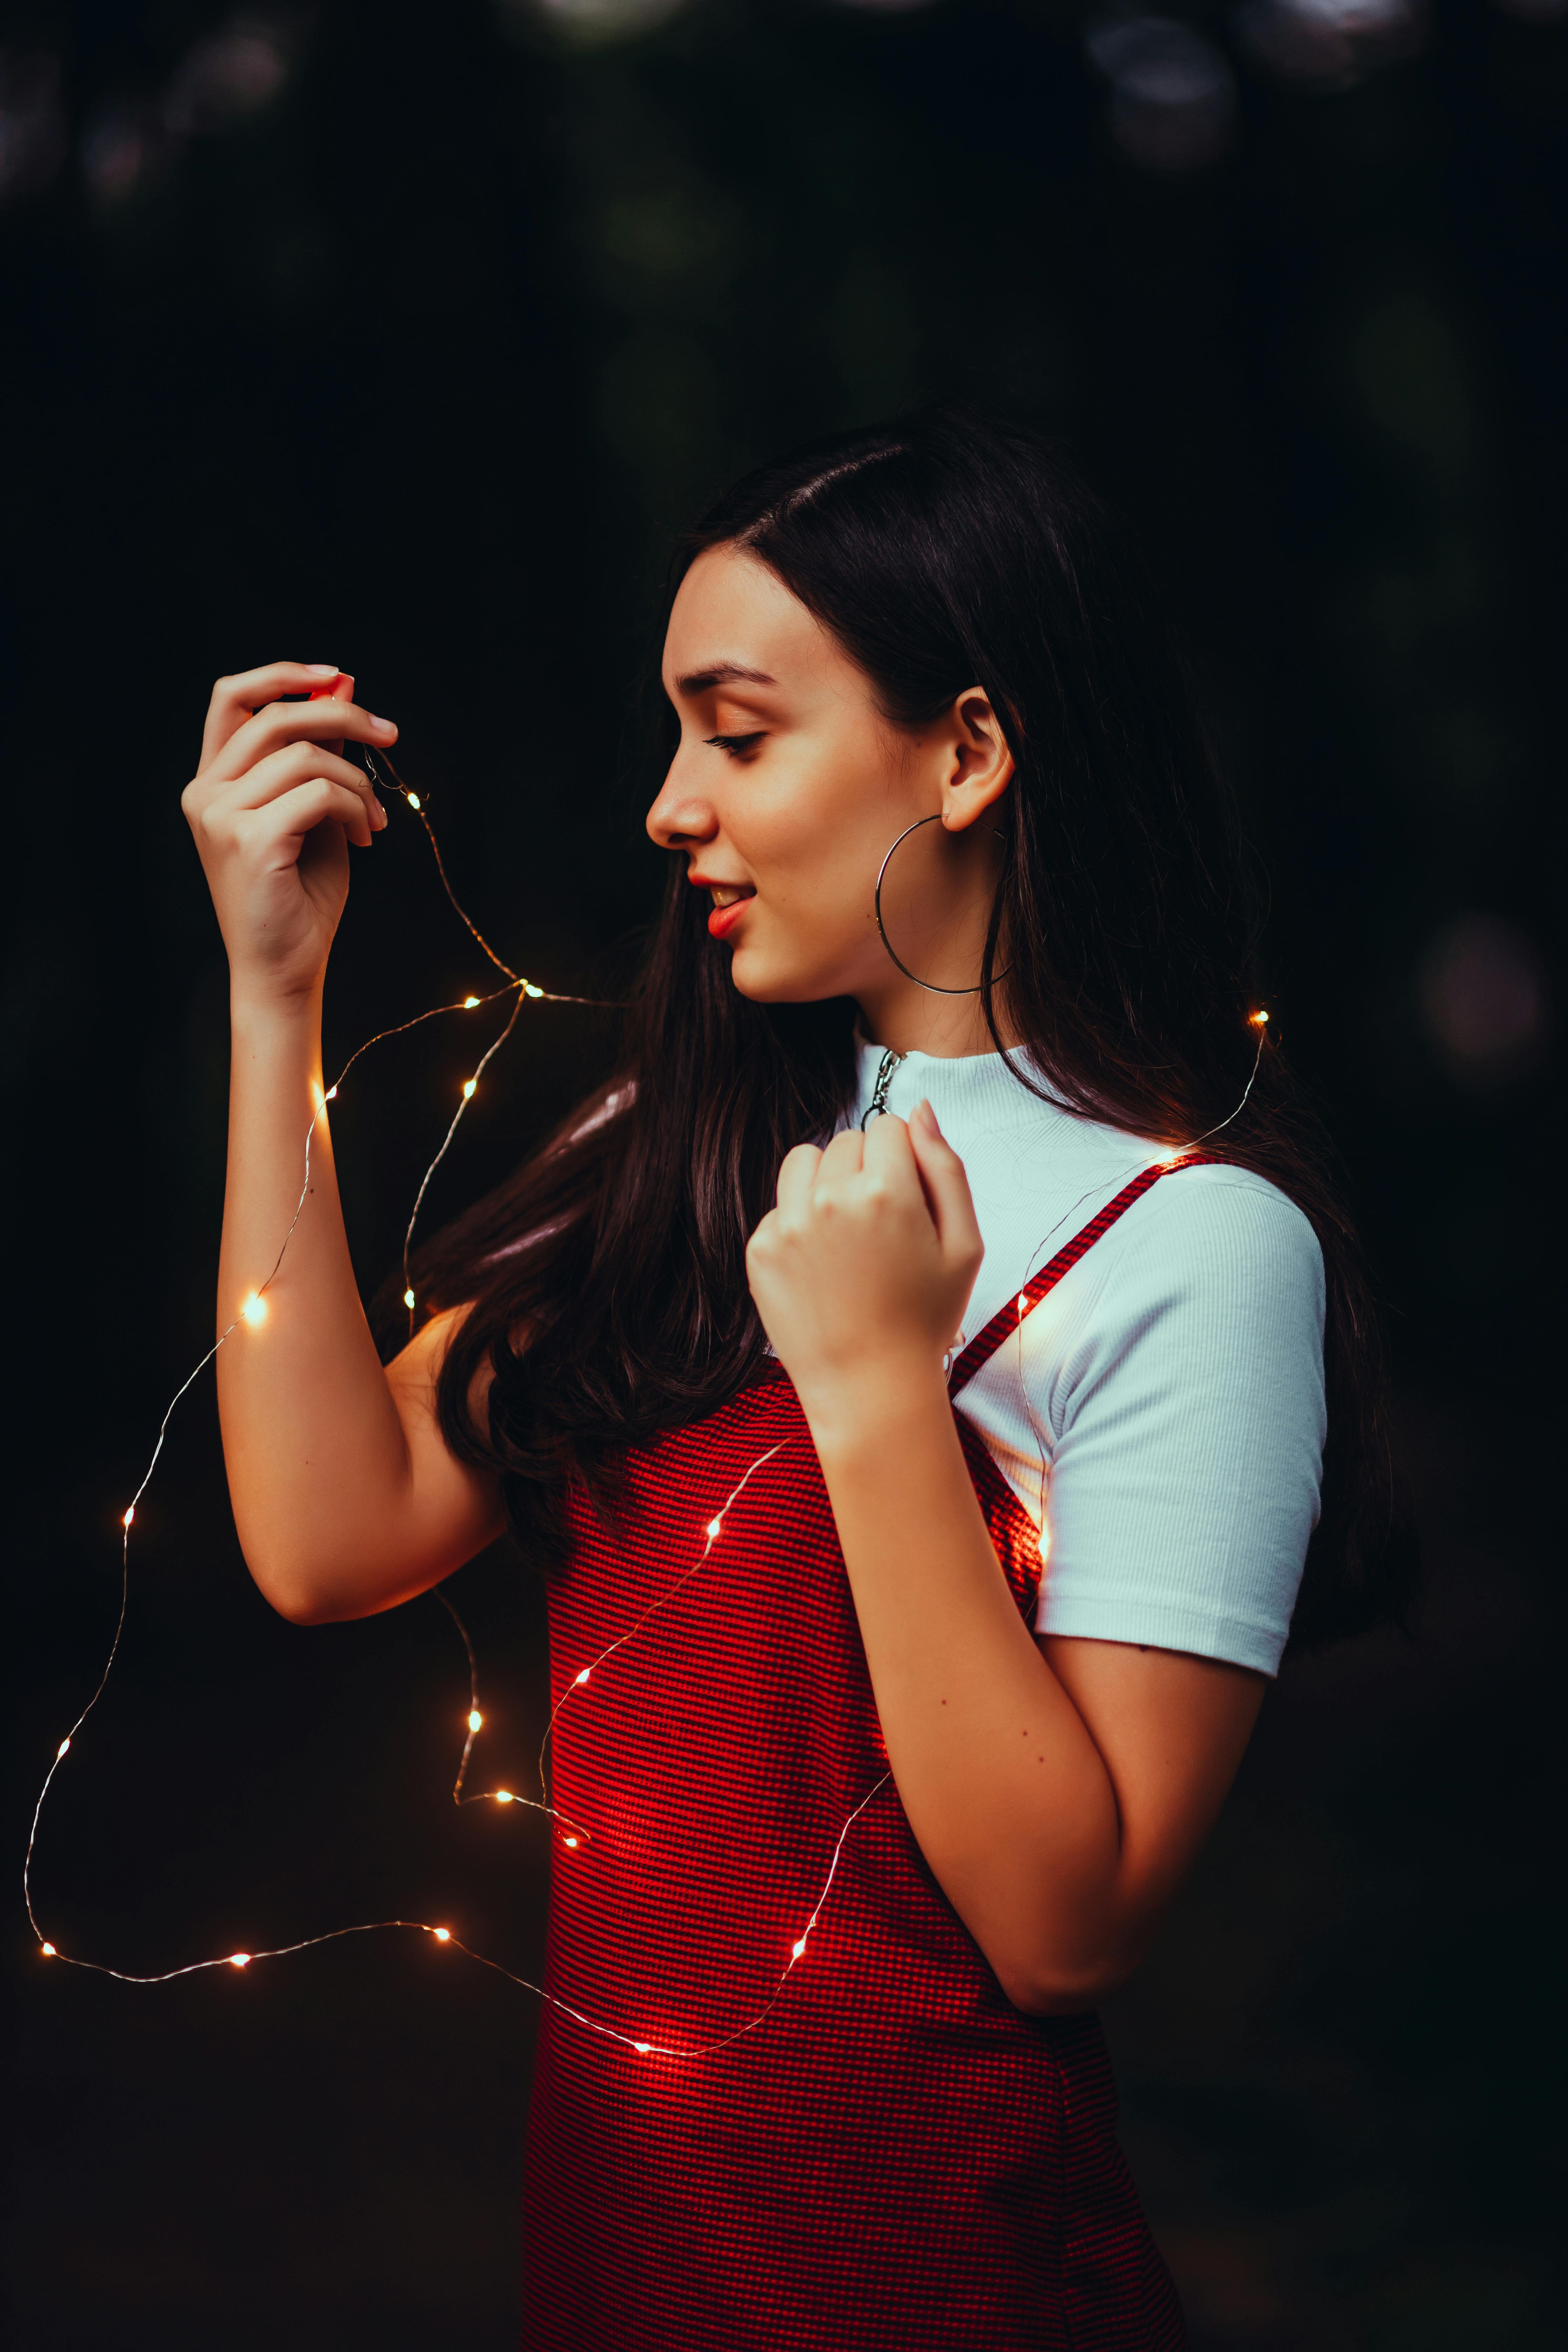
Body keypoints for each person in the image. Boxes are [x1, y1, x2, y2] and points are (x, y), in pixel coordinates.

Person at [181, 410, 1405, 2351]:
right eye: (678, 736)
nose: (672, 804)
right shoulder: (671, 1144)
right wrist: (273, 994)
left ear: (972, 753)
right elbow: (333, 1536)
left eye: (738, 733)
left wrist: (873, 1390)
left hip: (940, 2281)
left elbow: (1067, 1921)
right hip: (624, 2262)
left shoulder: (1194, 1239)